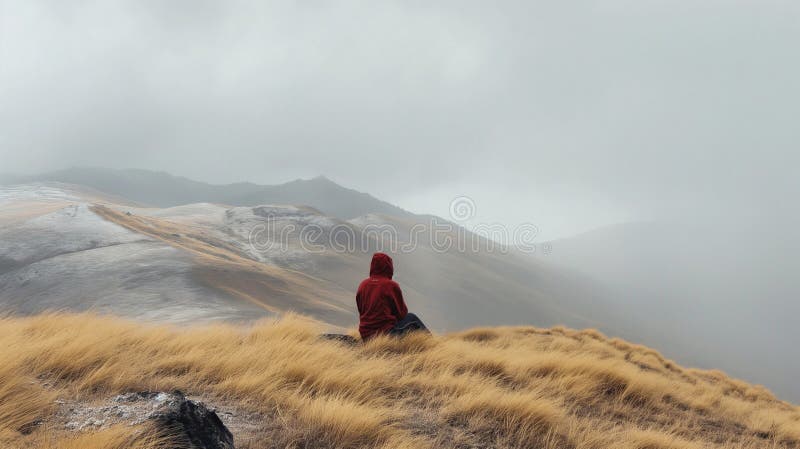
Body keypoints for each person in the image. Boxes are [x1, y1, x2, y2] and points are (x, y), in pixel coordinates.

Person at [356, 252, 428, 340]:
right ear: (389, 267)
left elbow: (361, 310)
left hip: (366, 335)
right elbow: (402, 313)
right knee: (412, 317)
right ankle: (433, 344)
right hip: (385, 334)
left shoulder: (363, 285)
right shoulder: (390, 285)